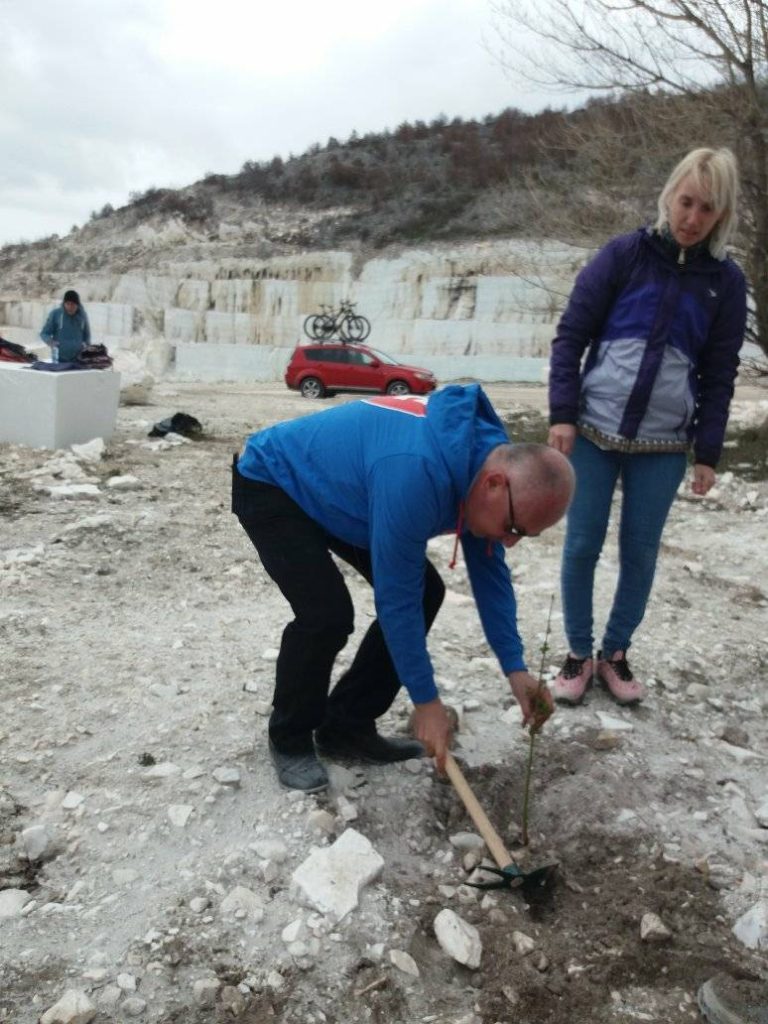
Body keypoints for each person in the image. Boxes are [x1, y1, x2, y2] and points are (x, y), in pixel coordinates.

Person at [232, 384, 575, 792]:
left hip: (350, 491)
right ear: (494, 484)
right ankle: (289, 738)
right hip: (276, 482)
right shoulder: (415, 474)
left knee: (428, 592)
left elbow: (490, 574)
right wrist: (426, 702)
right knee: (325, 614)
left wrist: (516, 670)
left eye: (525, 536)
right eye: (513, 529)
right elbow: (397, 600)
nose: (511, 542)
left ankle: (346, 725)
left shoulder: (482, 458)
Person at [547, 147, 746, 707]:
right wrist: (563, 414)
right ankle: (578, 653)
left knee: (640, 552)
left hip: (664, 444)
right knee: (581, 544)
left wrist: (707, 452)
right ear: (669, 196)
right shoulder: (624, 255)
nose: (691, 217)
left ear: (720, 214)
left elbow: (720, 372)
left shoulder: (725, 283)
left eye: (706, 208)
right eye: (685, 202)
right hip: (592, 432)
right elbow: (571, 336)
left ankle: (615, 654)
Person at [40, 289, 91, 363]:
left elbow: (87, 336)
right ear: (64, 303)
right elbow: (44, 333)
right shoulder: (56, 314)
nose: (70, 307)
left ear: (77, 305)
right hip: (59, 359)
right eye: (68, 304)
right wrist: (50, 341)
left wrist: (86, 347)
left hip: (78, 360)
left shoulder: (82, 316)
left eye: (73, 304)